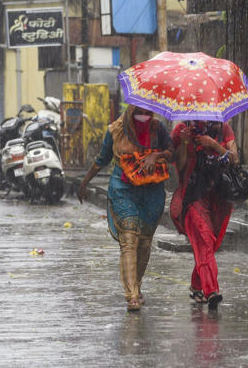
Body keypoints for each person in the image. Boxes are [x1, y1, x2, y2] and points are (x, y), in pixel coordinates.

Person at [77, 105, 173, 311]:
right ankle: (132, 296)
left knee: (145, 242)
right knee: (129, 239)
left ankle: (136, 285)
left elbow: (171, 152)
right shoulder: (115, 131)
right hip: (124, 190)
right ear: (131, 109)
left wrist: (156, 156)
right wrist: (84, 183)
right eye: (140, 112)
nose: (144, 116)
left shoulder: (158, 128)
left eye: (148, 113)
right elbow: (101, 160)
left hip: (152, 191)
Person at [170, 120, 239, 310]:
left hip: (220, 198)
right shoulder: (183, 129)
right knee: (205, 239)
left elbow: (235, 159)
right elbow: (179, 165)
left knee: (210, 244)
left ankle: (196, 284)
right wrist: (184, 143)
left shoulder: (223, 128)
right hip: (193, 196)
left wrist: (214, 145)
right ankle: (211, 291)